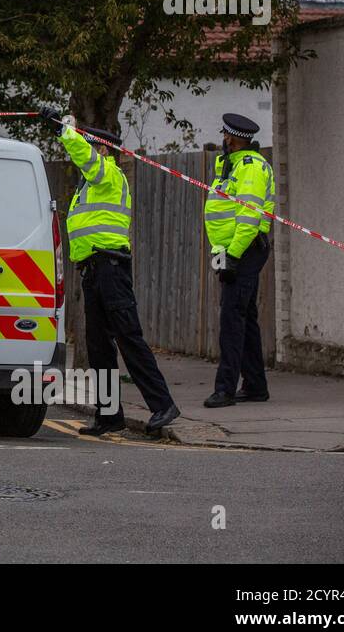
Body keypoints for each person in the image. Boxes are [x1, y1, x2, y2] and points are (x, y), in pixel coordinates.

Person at [40, 107, 179, 436]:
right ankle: (109, 416)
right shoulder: (90, 184)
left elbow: (83, 155)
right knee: (99, 346)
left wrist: (65, 130)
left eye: (91, 146)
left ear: (102, 149)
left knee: (129, 337)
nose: (87, 151)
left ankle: (162, 405)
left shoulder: (108, 173)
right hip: (93, 269)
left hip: (110, 267)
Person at [203, 113, 275, 408]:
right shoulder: (230, 165)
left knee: (232, 320)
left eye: (226, 136)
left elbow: (248, 217)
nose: (223, 139)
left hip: (242, 251)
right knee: (245, 319)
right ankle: (256, 385)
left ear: (233, 138)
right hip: (229, 250)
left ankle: (225, 390)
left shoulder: (251, 168)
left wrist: (232, 256)